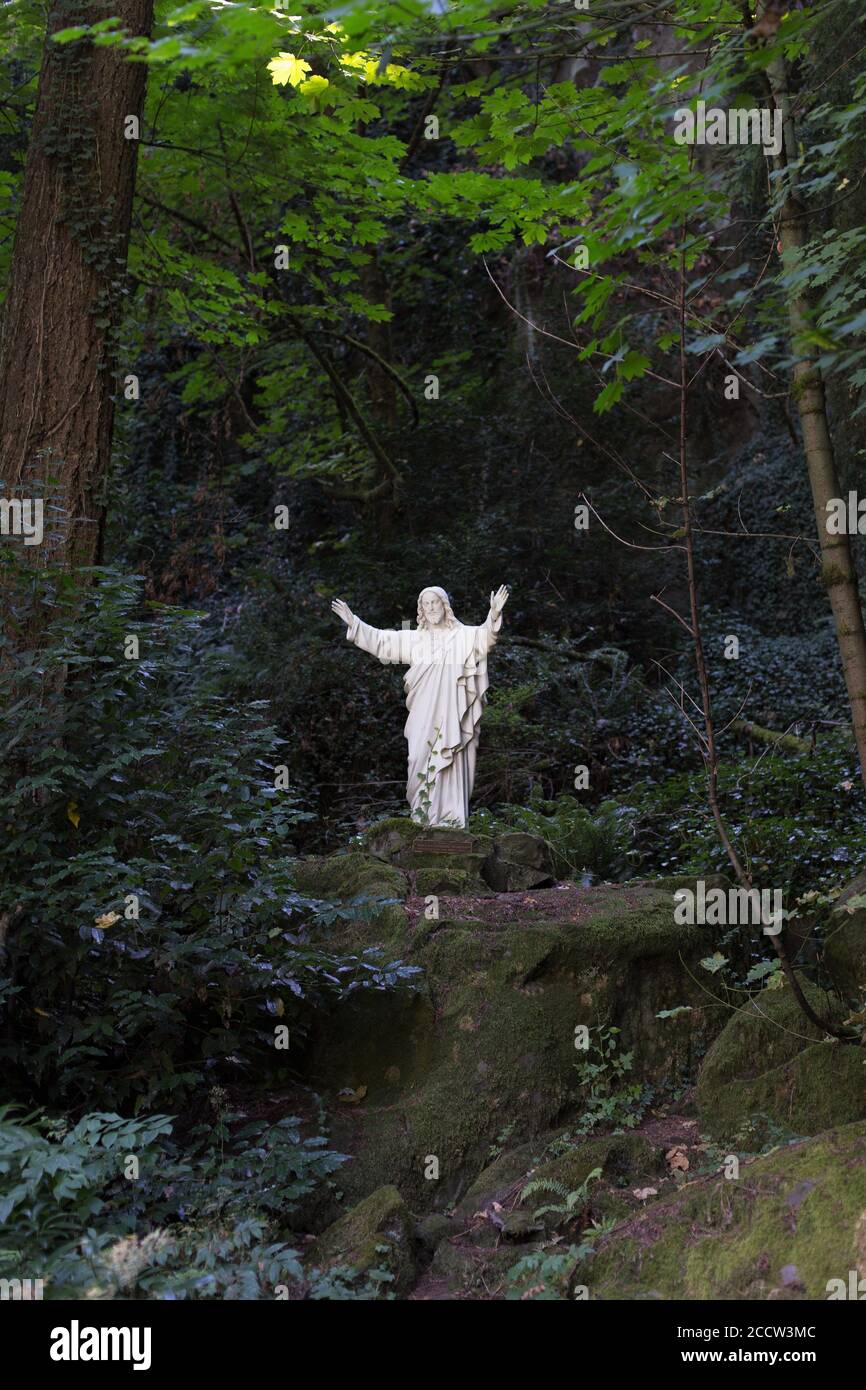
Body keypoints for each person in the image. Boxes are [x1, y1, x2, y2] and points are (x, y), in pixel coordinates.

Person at [332, 584, 509, 827]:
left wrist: (495, 614)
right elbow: (382, 641)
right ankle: (423, 816)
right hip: (423, 713)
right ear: (421, 610)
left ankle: (450, 817)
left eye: (435, 602)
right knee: (417, 756)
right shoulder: (415, 638)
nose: (431, 607)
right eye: (426, 604)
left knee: (452, 755)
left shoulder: (463, 635)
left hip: (452, 712)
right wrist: (354, 622)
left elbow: (486, 637)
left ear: (445, 605)